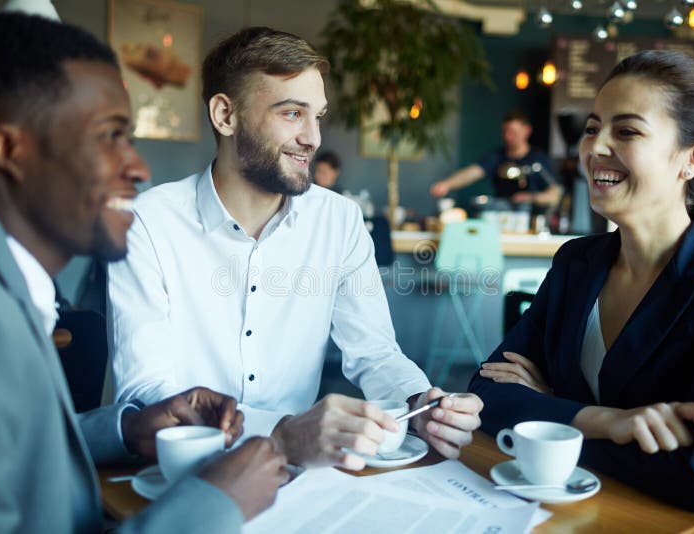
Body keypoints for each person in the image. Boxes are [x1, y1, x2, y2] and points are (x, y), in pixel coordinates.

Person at [0, 13, 288, 532]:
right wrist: (215, 502)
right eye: (110, 136)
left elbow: (4, 450)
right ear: (8, 150)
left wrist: (128, 428)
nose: (138, 168)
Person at [107, 26, 483, 470]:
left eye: (317, 116)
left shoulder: (340, 221)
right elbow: (148, 393)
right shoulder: (148, 222)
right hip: (178, 474)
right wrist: (280, 434)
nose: (314, 138)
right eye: (292, 113)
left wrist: (419, 403)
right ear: (225, 115)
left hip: (299, 476)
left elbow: (375, 352)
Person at [469, 50, 694, 532]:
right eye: (592, 128)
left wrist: (552, 414)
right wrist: (606, 421)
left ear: (693, 158)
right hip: (578, 517)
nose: (594, 147)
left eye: (626, 131)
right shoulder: (575, 262)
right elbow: (485, 394)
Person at [430, 110, 562, 207]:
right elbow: (472, 172)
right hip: (502, 218)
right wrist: (447, 184)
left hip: (533, 222)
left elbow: (555, 195)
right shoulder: (497, 157)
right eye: (505, 132)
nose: (508, 137)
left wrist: (528, 198)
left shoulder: (538, 159)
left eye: (513, 132)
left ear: (526, 131)